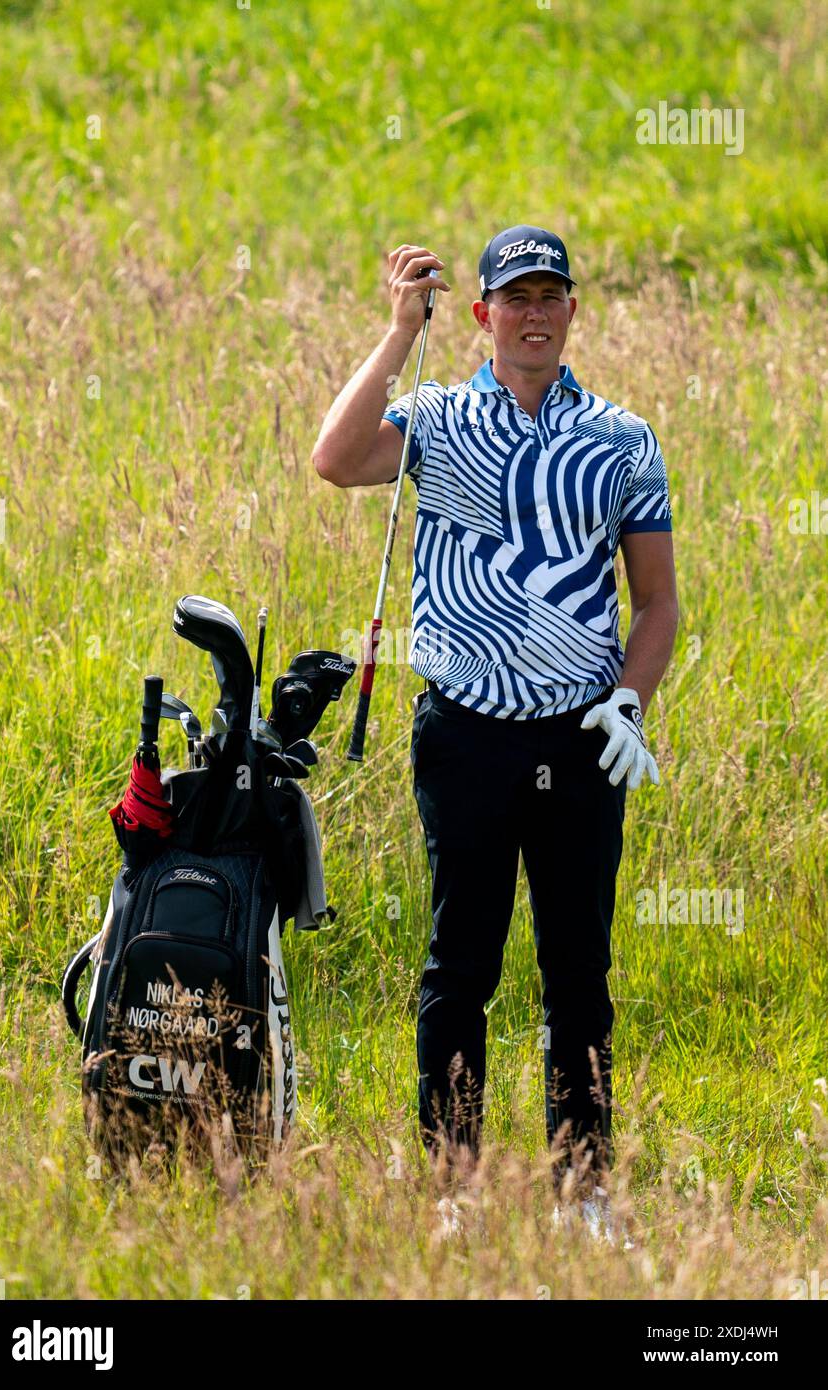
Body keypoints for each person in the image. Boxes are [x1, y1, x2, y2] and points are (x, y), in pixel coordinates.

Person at [312, 225, 679, 1202]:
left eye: (547, 295)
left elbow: (656, 602)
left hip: (579, 738)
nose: (531, 313)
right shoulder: (434, 415)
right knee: (458, 968)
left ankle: (582, 1189)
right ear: (479, 315)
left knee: (577, 978)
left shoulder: (621, 437)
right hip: (466, 736)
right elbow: (336, 459)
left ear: (570, 310)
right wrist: (396, 333)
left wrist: (630, 705)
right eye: (511, 298)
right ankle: (452, 1186)